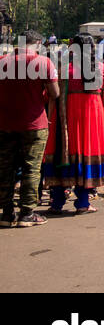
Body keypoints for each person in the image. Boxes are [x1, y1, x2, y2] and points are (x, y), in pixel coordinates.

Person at [41, 35, 104, 216]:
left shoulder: (63, 69)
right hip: (92, 117)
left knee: (63, 152)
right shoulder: (103, 69)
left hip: (65, 118)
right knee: (86, 153)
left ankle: (57, 202)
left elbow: (52, 98)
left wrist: (50, 119)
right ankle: (82, 202)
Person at [0, 30, 60, 228]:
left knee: (5, 168)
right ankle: (27, 213)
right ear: (38, 43)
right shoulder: (43, 63)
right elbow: (55, 93)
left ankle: (7, 213)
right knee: (31, 168)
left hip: (4, 124)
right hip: (34, 124)